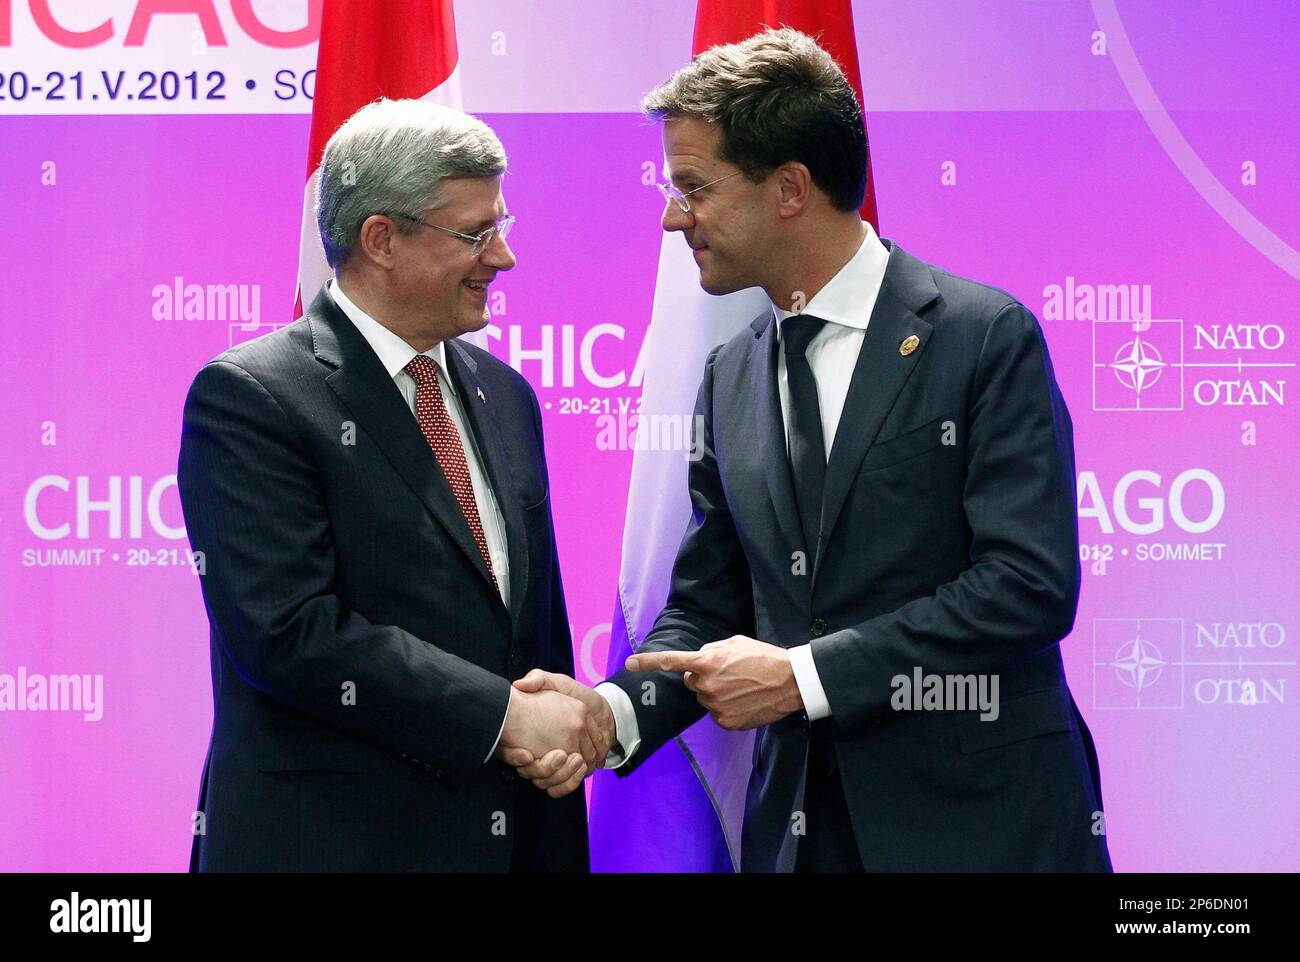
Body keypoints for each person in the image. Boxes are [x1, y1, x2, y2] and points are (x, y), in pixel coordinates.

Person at [510, 28, 1112, 872]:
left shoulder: (982, 337)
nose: (672, 215)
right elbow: (709, 602)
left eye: (694, 188)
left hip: (983, 829)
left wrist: (803, 677)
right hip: (798, 834)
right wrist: (614, 711)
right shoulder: (732, 374)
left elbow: (1026, 587)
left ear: (789, 187)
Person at [178, 98, 604, 872]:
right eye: (475, 233)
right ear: (382, 239)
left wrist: (558, 734)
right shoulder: (253, 396)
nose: (502, 257)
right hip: (339, 845)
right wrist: (506, 717)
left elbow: (529, 628)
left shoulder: (505, 395)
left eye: (501, 225)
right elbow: (290, 633)